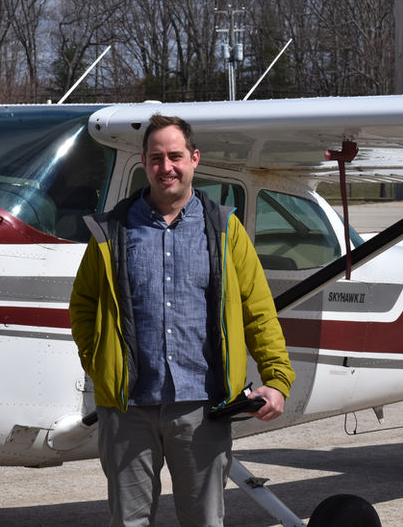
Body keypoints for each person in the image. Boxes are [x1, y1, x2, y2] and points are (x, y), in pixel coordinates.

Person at [69, 114, 294, 527]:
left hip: (203, 406)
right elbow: (82, 305)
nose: (166, 167)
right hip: (128, 408)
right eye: (156, 158)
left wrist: (278, 380)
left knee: (204, 521)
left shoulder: (226, 229)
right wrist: (99, 364)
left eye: (175, 156)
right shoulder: (111, 230)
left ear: (194, 159)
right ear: (144, 162)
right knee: (128, 522)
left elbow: (258, 310)